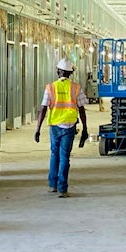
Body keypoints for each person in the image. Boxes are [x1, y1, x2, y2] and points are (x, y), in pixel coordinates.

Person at [35, 58, 89, 197]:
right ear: (70, 73)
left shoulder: (50, 87)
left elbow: (43, 109)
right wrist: (85, 128)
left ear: (58, 71)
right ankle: (62, 189)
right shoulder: (76, 88)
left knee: (54, 154)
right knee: (65, 157)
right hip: (69, 126)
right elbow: (82, 110)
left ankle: (52, 185)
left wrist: (38, 129)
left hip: (54, 125)